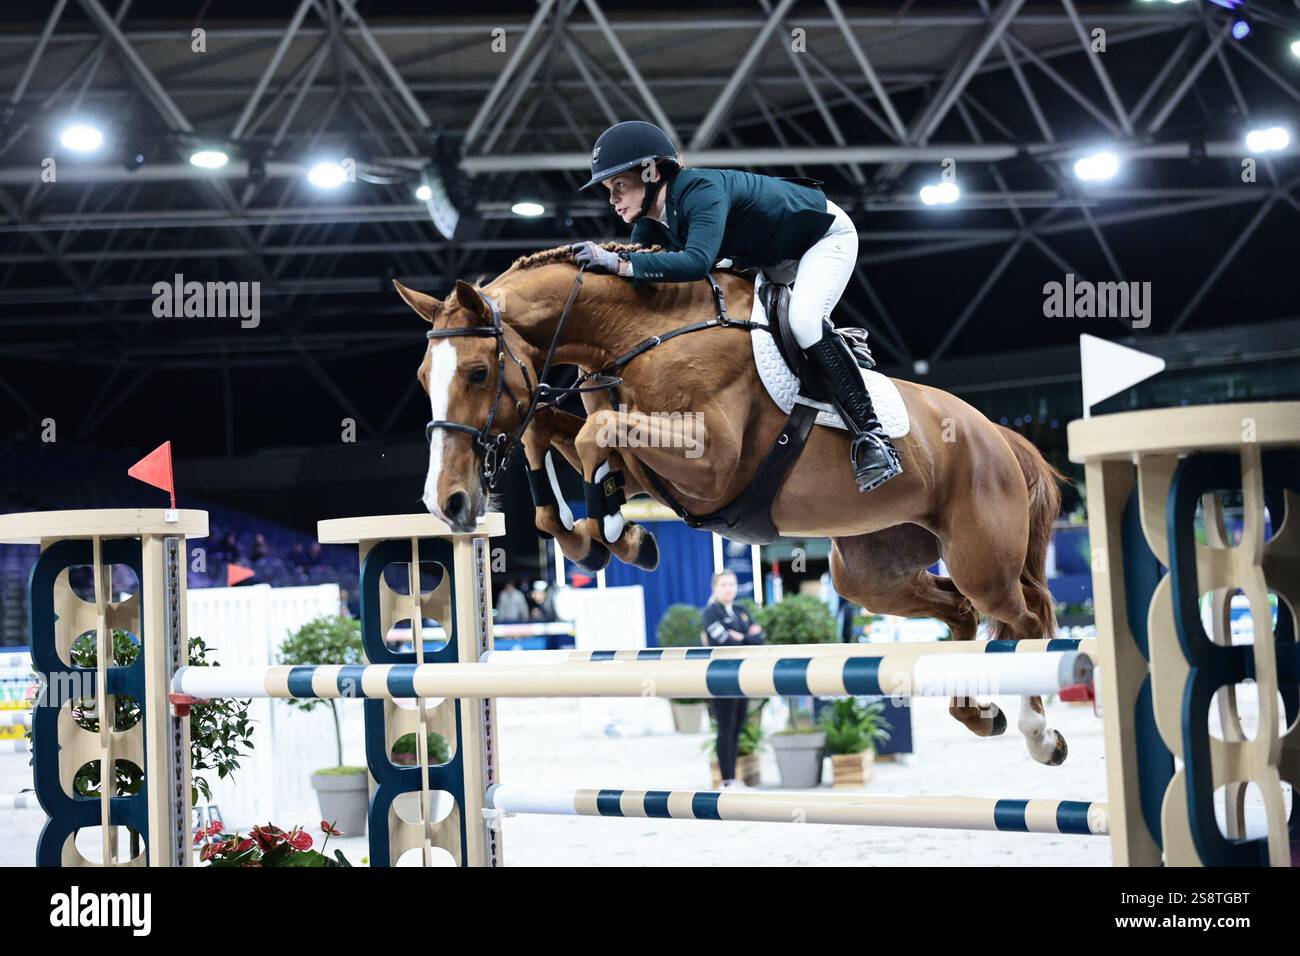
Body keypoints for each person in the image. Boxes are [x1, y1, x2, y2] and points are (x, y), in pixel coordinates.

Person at [570, 120, 901, 493]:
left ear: (652, 172)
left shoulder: (699, 189)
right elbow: (648, 279)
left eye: (619, 185)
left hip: (818, 240)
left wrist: (618, 263)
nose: (612, 199)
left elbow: (695, 262)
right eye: (608, 190)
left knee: (805, 322)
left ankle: (872, 437)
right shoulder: (649, 225)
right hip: (763, 256)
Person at [700, 570, 765, 789]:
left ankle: (734, 778)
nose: (729, 589)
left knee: (738, 728)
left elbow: (761, 638)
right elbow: (725, 642)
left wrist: (742, 637)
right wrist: (747, 638)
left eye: (732, 584)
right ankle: (726, 780)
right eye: (724, 585)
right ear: (715, 588)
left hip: (743, 677)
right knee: (725, 729)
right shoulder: (710, 613)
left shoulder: (741, 611)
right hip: (721, 677)